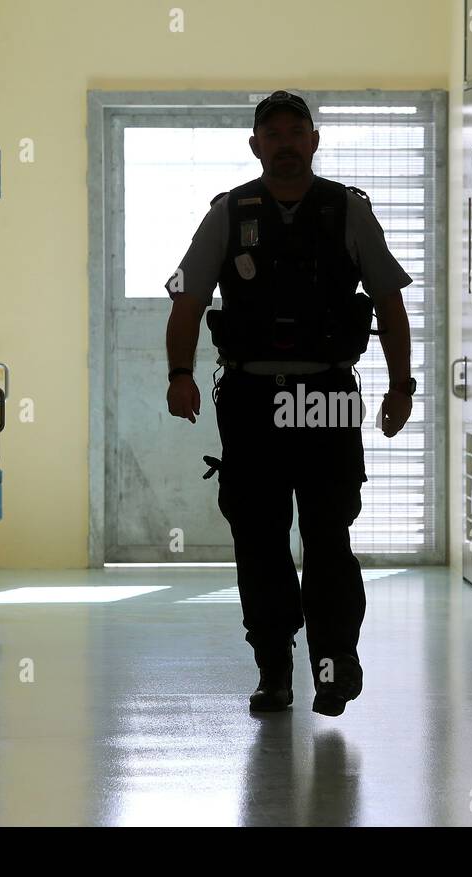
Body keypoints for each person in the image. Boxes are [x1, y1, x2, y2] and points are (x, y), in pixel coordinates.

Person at [163, 90, 415, 717]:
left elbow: (388, 302)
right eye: (270, 134)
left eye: (294, 132)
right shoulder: (229, 213)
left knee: (328, 536)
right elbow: (187, 299)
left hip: (326, 395)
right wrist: (179, 374)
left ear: (313, 141)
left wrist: (401, 385)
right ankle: (274, 671)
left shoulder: (347, 211)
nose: (283, 143)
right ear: (256, 146)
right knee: (260, 538)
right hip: (251, 397)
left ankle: (331, 669)